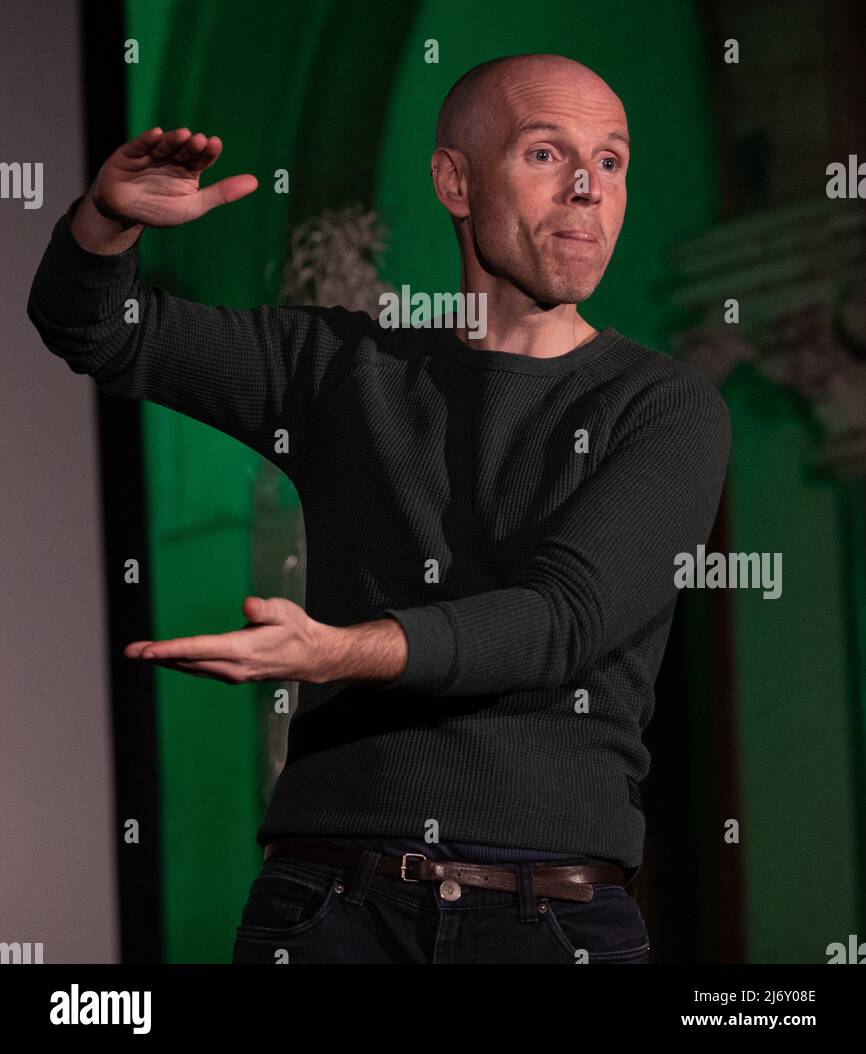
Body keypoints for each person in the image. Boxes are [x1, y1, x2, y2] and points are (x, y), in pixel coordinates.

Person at [27, 52, 731, 964]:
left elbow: (561, 622)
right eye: (547, 155)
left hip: (551, 922)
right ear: (454, 181)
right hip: (327, 906)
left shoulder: (663, 408)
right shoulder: (339, 369)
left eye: (612, 160)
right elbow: (97, 331)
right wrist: (106, 225)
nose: (589, 188)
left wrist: (339, 651)